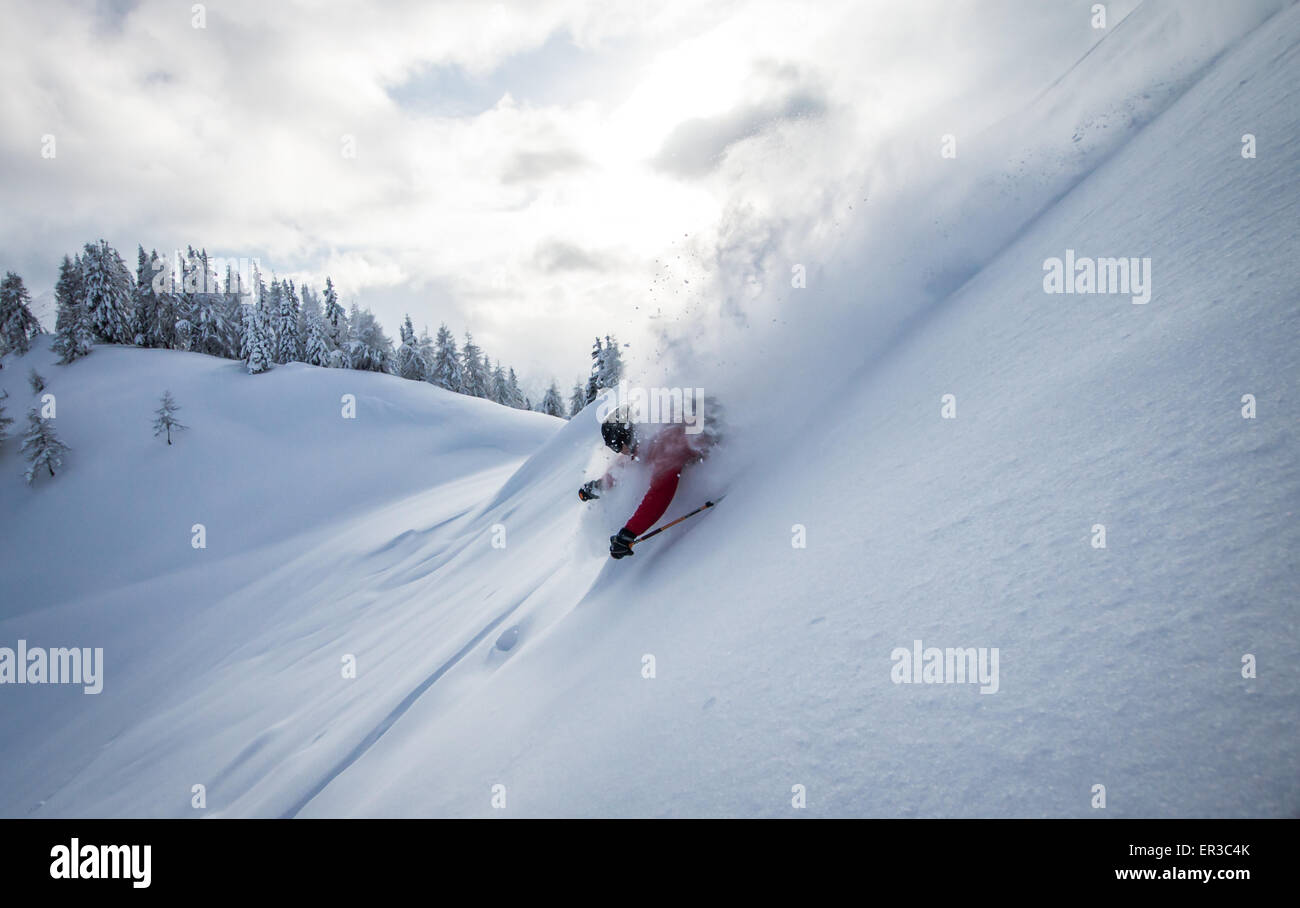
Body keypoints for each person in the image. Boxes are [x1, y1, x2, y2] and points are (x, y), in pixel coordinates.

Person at [579, 408, 704, 559]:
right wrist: (599, 485)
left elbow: (660, 494)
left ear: (628, 435)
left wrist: (629, 533)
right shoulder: (648, 437)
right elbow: (625, 463)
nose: (618, 451)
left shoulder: (666, 443)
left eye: (617, 446)